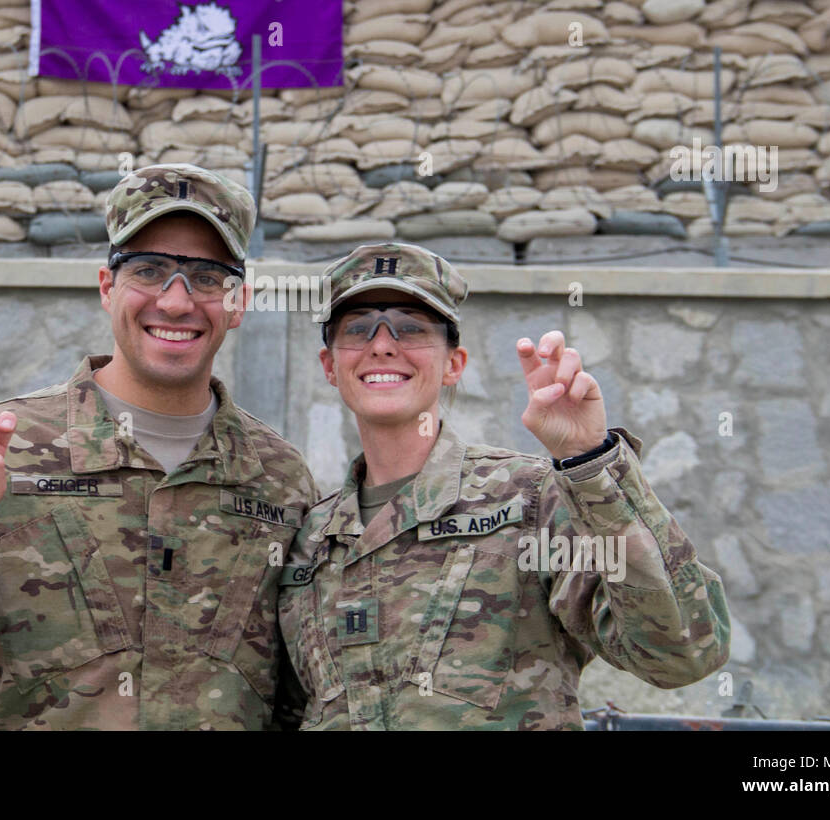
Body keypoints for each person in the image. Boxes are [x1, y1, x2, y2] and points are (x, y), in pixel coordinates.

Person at [0, 164, 318, 730]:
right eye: (149, 270)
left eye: (207, 277)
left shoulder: (280, 480)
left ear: (237, 302)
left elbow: (301, 698)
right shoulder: (3, 456)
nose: (177, 302)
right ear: (107, 288)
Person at [275, 242, 730, 730]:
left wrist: (592, 465)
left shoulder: (530, 500)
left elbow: (683, 653)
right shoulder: (309, 541)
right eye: (358, 329)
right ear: (330, 366)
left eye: (411, 329)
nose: (382, 345)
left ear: (454, 364)